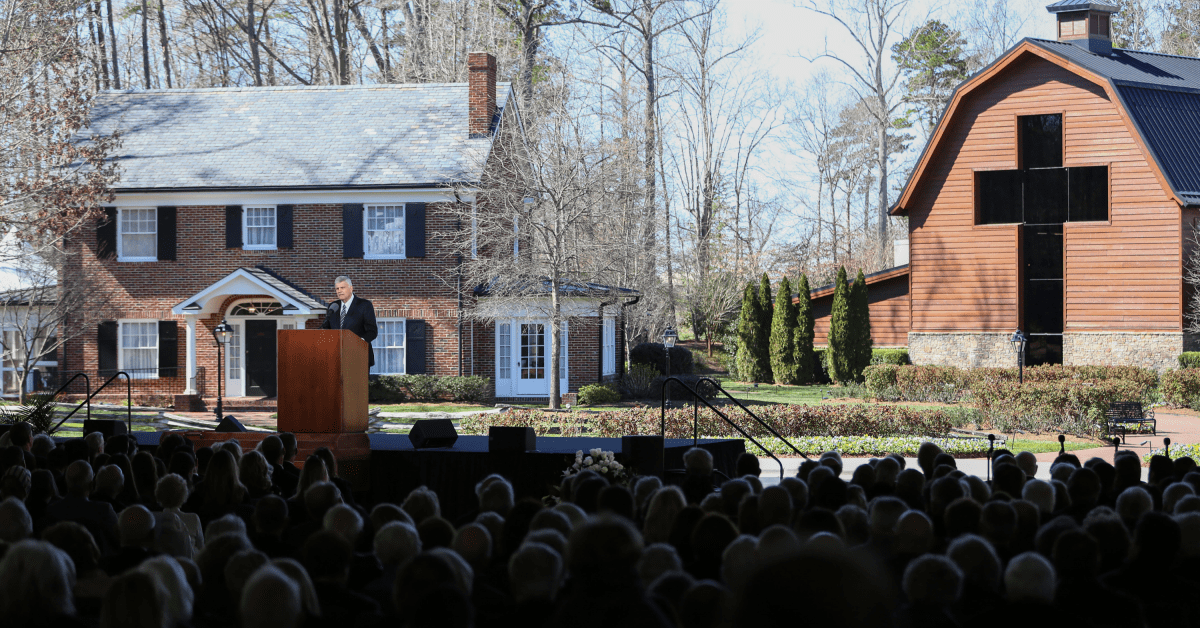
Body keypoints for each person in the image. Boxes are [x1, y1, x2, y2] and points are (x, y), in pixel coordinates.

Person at [320, 275, 378, 368]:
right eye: (337, 288)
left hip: (358, 358)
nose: (339, 291)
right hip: (336, 359)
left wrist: (358, 342)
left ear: (351, 288)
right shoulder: (333, 306)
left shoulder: (364, 305)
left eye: (342, 287)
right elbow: (327, 328)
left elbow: (372, 331)